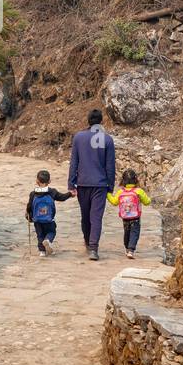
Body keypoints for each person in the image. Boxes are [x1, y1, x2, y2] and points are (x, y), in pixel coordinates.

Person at [67, 108, 115, 260]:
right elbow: (110, 166)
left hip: (83, 183)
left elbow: (74, 162)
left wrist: (71, 184)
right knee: (96, 217)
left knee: (85, 216)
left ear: (88, 121)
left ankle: (88, 243)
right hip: (100, 185)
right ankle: (93, 248)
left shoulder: (79, 138)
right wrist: (110, 186)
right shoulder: (107, 139)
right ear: (101, 122)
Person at [25, 169, 72, 257]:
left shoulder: (33, 194)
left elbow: (29, 207)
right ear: (49, 181)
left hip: (37, 220)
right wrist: (70, 194)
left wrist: (29, 216)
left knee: (40, 235)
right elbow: (62, 197)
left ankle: (42, 251)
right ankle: (48, 240)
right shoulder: (52, 192)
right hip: (49, 220)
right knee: (51, 232)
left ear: (37, 181)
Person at [108, 170, 151, 259]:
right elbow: (147, 202)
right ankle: (131, 250)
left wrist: (107, 194)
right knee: (134, 232)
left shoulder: (120, 192)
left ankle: (127, 247)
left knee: (126, 232)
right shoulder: (139, 191)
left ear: (123, 181)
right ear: (136, 180)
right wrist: (149, 199)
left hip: (125, 217)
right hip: (135, 217)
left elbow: (114, 202)